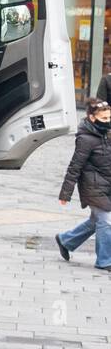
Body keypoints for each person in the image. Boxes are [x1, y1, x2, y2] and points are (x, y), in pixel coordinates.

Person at [56, 98, 111, 271]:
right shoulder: (85, 139)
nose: (108, 122)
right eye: (104, 119)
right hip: (93, 188)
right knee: (106, 221)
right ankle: (104, 260)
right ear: (92, 118)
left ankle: (66, 240)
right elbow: (75, 167)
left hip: (107, 186)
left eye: (110, 118)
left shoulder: (107, 134)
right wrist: (66, 194)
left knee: (96, 221)